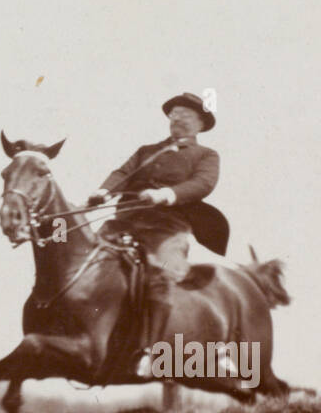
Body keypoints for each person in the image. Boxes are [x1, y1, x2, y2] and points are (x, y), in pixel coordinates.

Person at [87, 92, 228, 375]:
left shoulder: (206, 156)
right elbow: (123, 172)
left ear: (200, 123)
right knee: (85, 256)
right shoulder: (146, 150)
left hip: (166, 229)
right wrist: (104, 191)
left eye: (185, 115)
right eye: (174, 113)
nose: (177, 118)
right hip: (124, 223)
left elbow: (203, 184)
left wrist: (167, 194)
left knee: (160, 273)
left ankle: (149, 352)